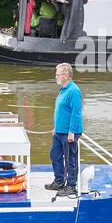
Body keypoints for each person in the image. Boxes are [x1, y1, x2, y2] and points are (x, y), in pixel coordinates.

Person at [47, 62, 83, 195]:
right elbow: (61, 111)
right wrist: (55, 127)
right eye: (56, 74)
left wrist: (72, 132)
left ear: (66, 75)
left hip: (69, 132)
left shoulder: (74, 91)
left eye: (58, 74)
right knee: (55, 155)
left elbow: (76, 113)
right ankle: (59, 181)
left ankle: (71, 186)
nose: (56, 76)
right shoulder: (63, 89)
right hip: (59, 131)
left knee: (70, 160)